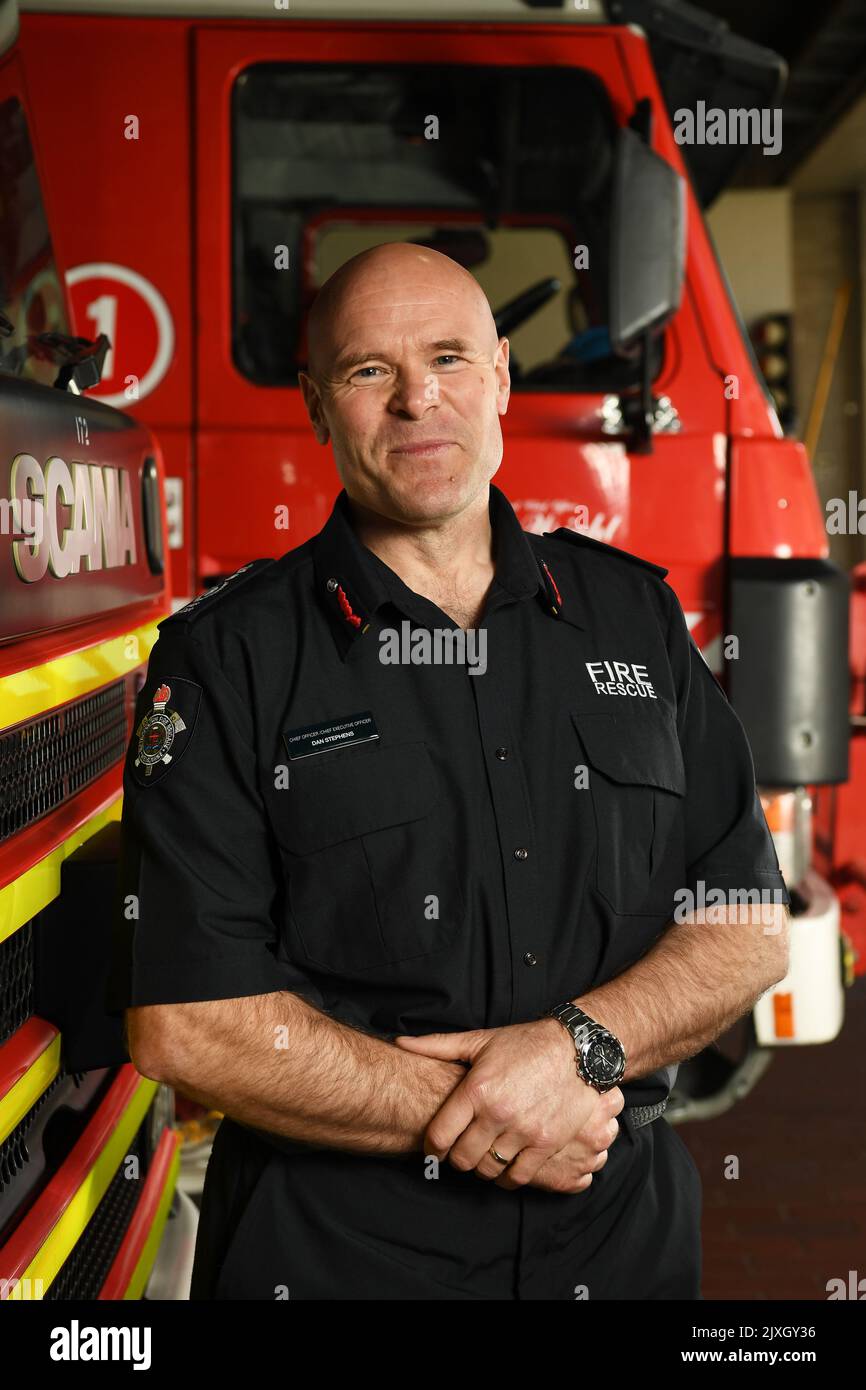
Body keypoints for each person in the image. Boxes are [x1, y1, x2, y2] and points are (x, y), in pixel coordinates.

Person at [110, 242, 790, 1301]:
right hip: (342, 1263)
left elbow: (743, 918)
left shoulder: (632, 616)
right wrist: (503, 1110)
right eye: (367, 370)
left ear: (503, 376)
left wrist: (578, 1049)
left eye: (448, 357)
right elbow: (188, 1021)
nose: (417, 400)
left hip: (621, 1249)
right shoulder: (227, 660)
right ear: (313, 403)